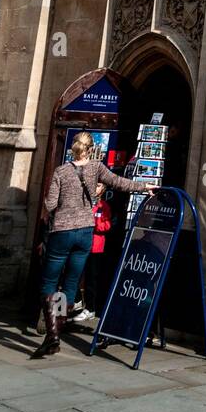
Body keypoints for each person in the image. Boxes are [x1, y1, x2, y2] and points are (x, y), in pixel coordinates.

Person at [31, 132, 152, 359]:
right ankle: (55, 331)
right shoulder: (96, 168)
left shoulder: (61, 171)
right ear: (91, 148)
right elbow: (120, 183)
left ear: (73, 148)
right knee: (71, 283)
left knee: (49, 282)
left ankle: (53, 334)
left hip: (62, 231)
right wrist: (145, 187)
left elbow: (49, 204)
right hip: (85, 232)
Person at [74, 182, 113, 324]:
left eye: (98, 185)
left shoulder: (104, 206)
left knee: (91, 279)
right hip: (79, 244)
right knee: (74, 274)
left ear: (103, 189)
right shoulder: (83, 203)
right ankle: (76, 302)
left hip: (95, 247)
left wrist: (94, 222)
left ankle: (90, 308)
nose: (95, 188)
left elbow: (106, 225)